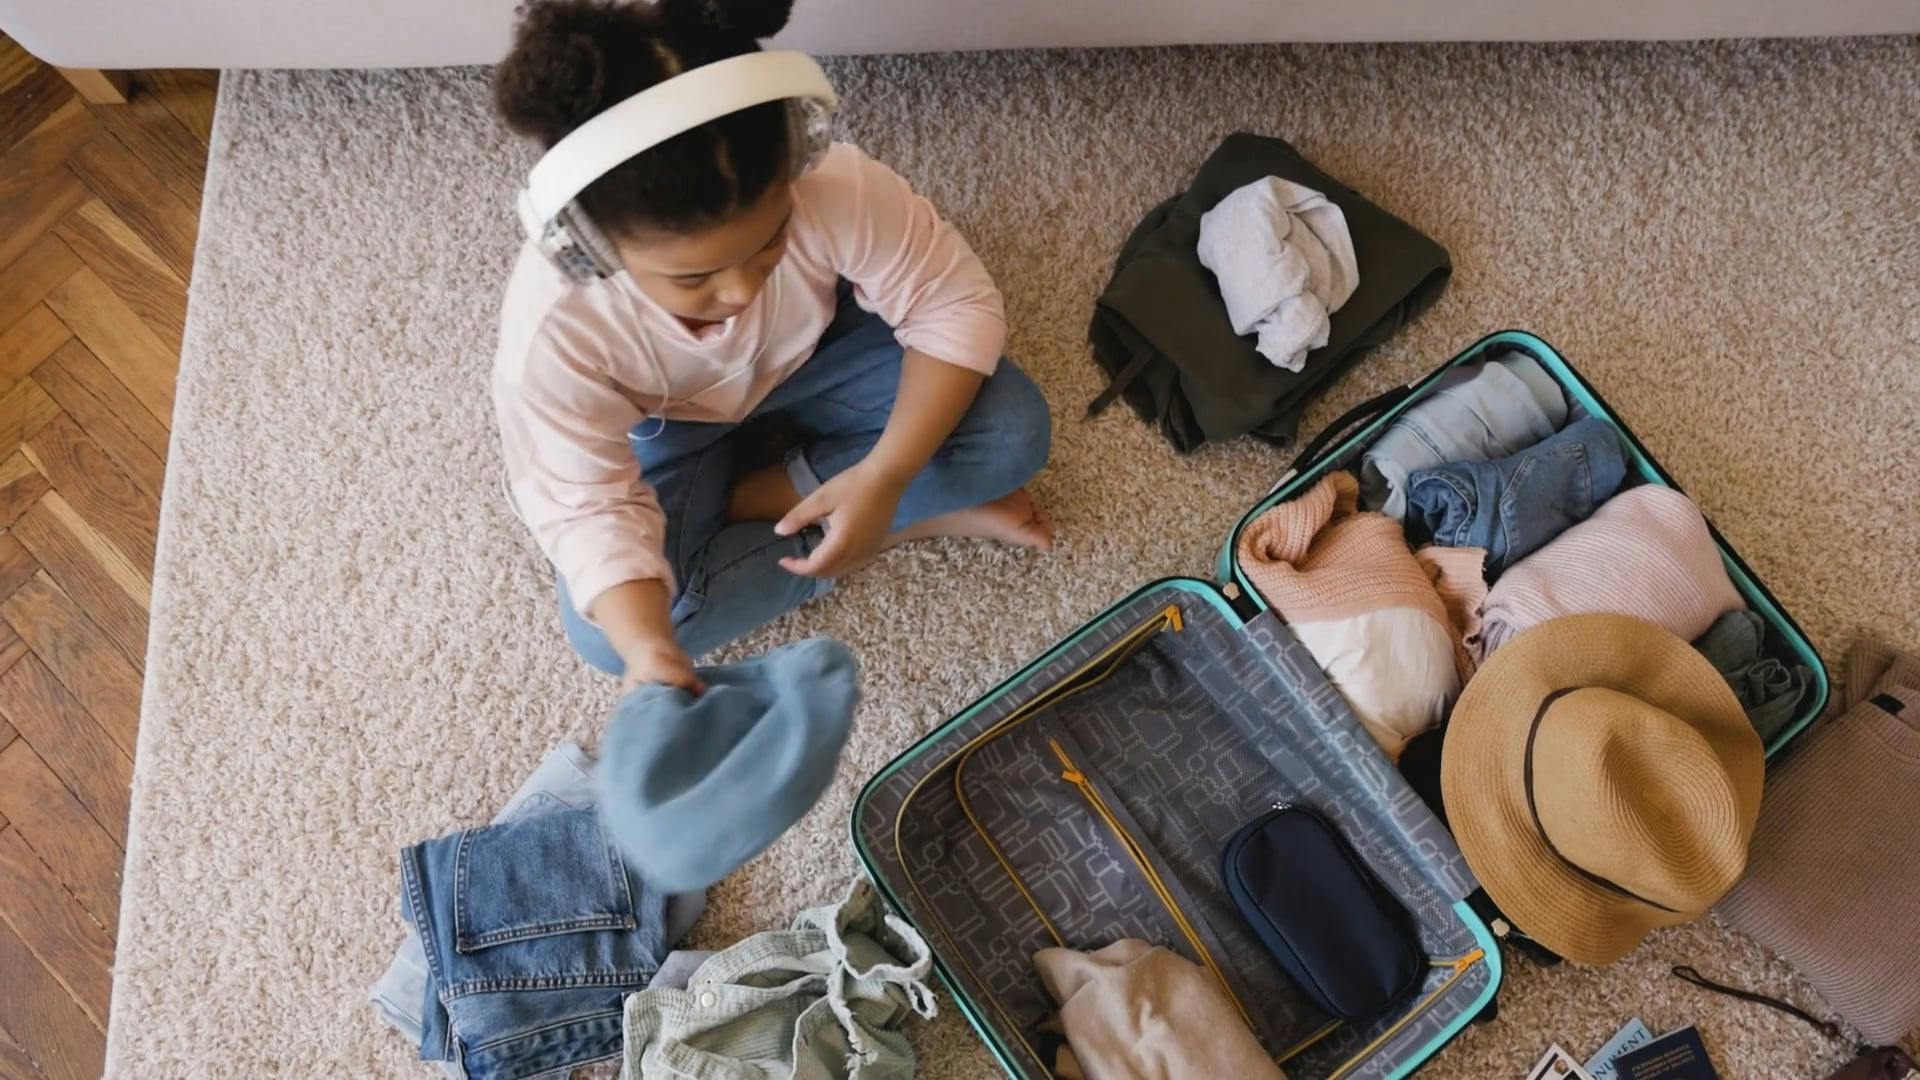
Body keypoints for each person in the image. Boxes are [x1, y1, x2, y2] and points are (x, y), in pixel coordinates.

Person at [491, 0, 1054, 691]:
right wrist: (649, 651)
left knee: (1012, 431)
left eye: (769, 242)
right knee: (611, 636)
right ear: (592, 249)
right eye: (693, 278)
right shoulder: (554, 329)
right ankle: (898, 524)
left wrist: (886, 476)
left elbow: (952, 304)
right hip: (666, 424)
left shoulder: (830, 184)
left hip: (822, 351)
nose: (739, 292)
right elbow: (586, 505)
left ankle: (791, 501)